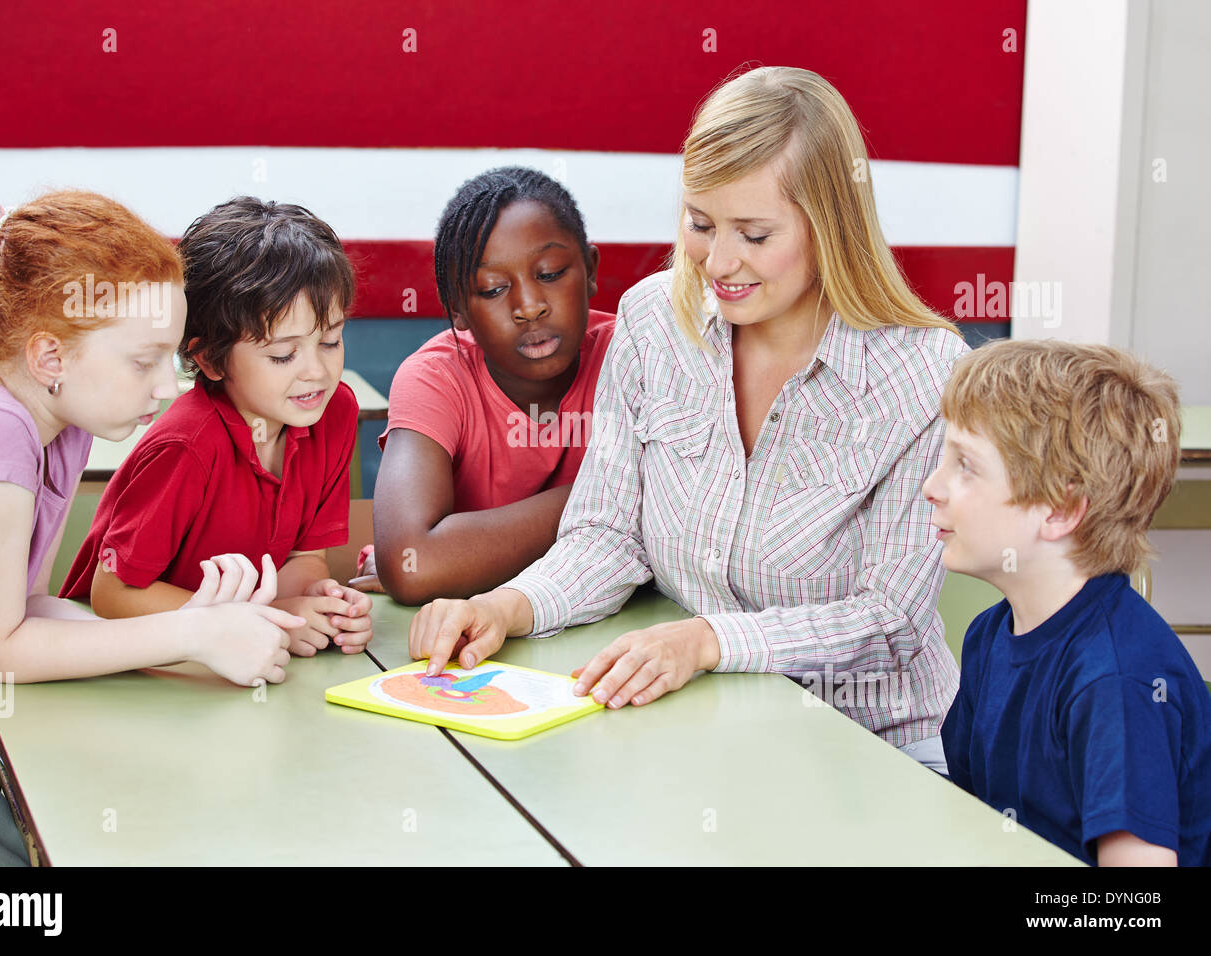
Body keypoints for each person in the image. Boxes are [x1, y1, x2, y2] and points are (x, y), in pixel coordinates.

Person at [406, 66, 968, 770]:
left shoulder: (922, 372)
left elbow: (890, 620)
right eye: (701, 224)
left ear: (829, 228)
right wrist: (506, 607)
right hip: (704, 734)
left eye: (754, 235)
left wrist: (707, 641)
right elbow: (609, 535)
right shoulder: (651, 323)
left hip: (877, 750)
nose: (719, 261)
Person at [0, 191, 303, 865]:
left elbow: (22, 609)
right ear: (50, 357)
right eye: (143, 361)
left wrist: (191, 625)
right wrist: (188, 636)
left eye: (171, 359)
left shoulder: (60, 424)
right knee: (5, 888)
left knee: (25, 854)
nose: (168, 387)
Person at [928, 340, 1211, 866]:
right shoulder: (989, 636)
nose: (931, 487)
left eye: (965, 465)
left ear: (1059, 509)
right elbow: (970, 822)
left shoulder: (1116, 682)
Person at [60, 197, 373, 658]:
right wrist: (258, 623)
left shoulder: (334, 413)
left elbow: (302, 558)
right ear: (210, 359)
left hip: (231, 660)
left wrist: (315, 603)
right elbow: (112, 596)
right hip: (122, 657)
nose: (316, 372)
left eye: (330, 341)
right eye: (282, 355)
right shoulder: (187, 446)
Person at [357, 167, 614, 604]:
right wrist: (615, 499)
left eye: (550, 274)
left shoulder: (633, 355)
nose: (529, 307)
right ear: (457, 309)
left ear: (589, 271)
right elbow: (411, 566)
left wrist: (463, 558)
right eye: (493, 290)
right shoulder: (436, 378)